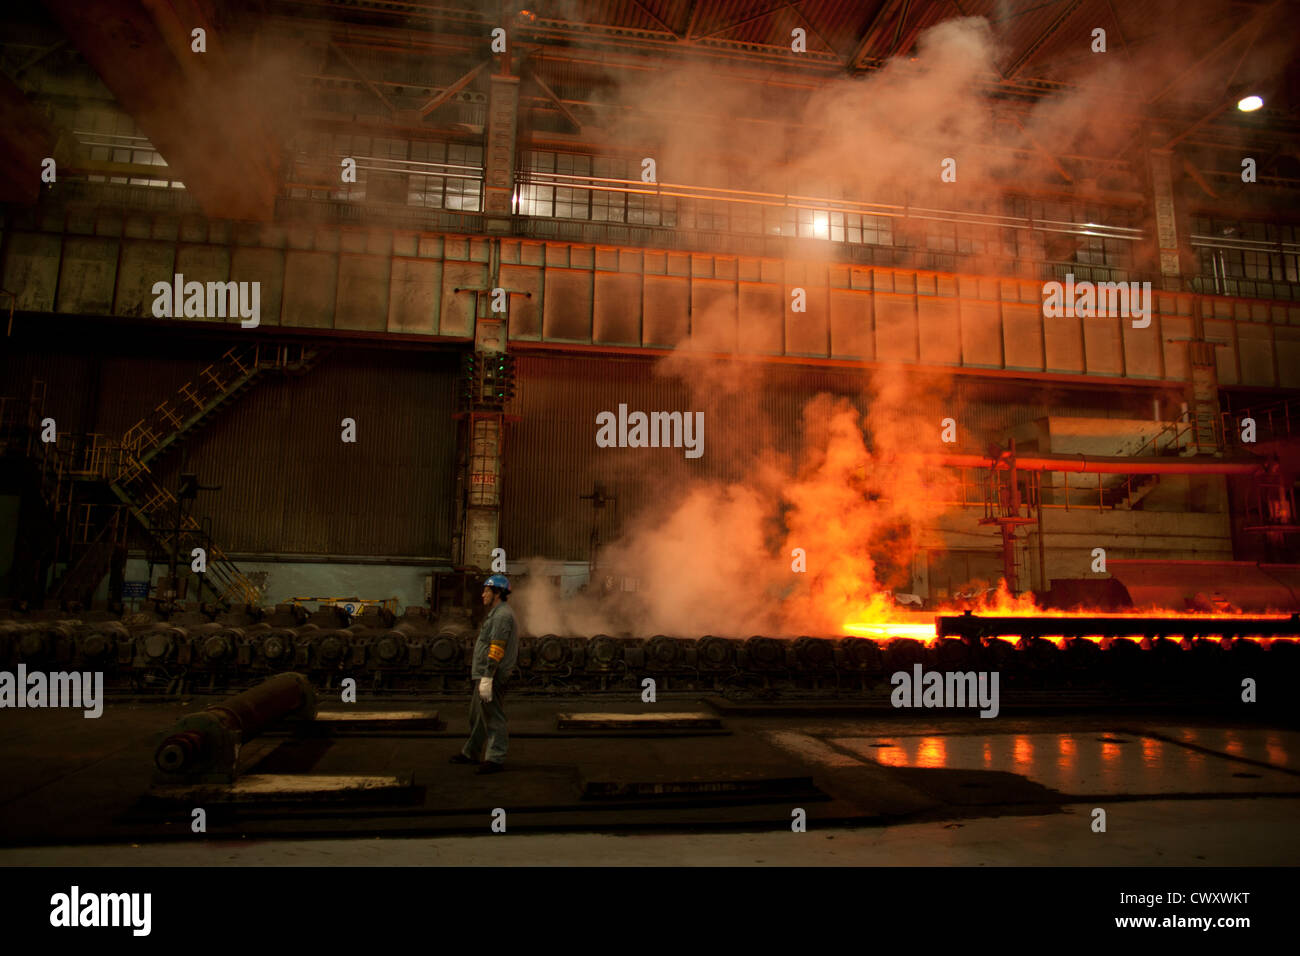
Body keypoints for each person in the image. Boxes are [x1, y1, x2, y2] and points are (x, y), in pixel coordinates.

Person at [449, 573, 518, 774]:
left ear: (497, 593)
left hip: (492, 675)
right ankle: (471, 752)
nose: (483, 594)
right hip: (484, 674)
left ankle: (495, 758)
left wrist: (488, 677)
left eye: (487, 590)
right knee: (477, 715)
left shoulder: (502, 616)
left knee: (492, 716)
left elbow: (497, 648)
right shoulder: (496, 613)